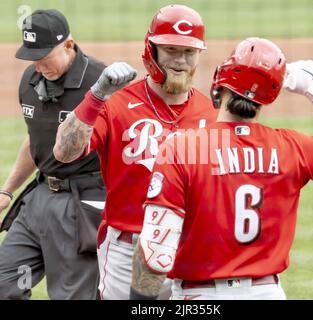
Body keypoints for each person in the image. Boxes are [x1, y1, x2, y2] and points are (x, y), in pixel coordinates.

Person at [129, 38, 313, 300]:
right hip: (268, 293)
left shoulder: (183, 148)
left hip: (201, 297)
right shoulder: (292, 147)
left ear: (218, 83)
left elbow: (156, 252)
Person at [53, 4, 217, 299]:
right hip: (127, 251)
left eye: (189, 52)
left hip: (191, 249)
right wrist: (96, 95)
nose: (181, 61)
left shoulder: (211, 112)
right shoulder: (116, 104)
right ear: (151, 50)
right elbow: (63, 152)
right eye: (171, 50)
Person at [0, 9, 107, 299]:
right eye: (33, 58)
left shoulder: (100, 83)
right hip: (38, 200)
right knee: (5, 282)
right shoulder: (31, 80)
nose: (38, 66)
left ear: (68, 46)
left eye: (45, 57)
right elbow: (35, 139)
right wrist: (7, 191)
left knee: (73, 295)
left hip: (83, 204)